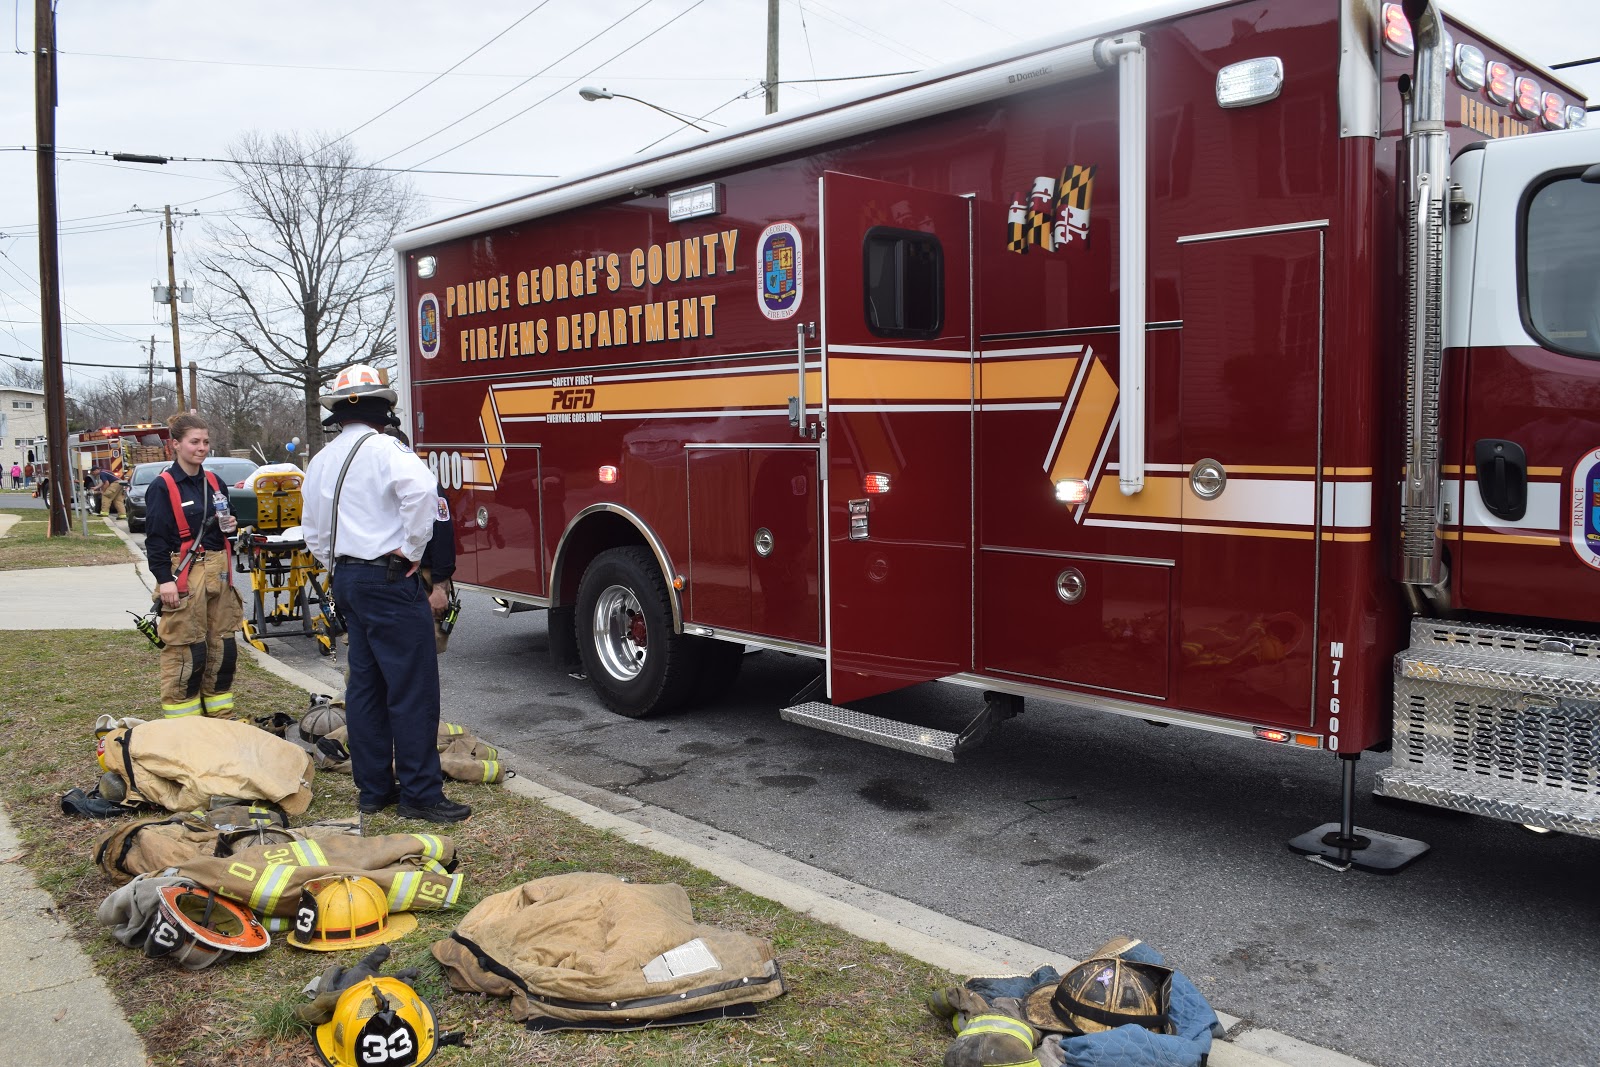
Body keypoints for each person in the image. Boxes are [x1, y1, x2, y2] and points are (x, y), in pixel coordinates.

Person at [302, 364, 469, 825]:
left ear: (338, 413)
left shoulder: (321, 460)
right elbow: (422, 491)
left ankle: (374, 790)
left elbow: (313, 529)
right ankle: (420, 793)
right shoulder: (388, 450)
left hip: (348, 578)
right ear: (384, 410)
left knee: (366, 687)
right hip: (391, 578)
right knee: (412, 689)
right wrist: (412, 549)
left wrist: (333, 564)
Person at [144, 413, 244, 719]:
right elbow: (156, 540)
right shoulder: (163, 486)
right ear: (175, 444)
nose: (201, 448)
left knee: (222, 647)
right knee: (186, 648)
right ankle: (184, 723)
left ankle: (219, 717)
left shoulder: (215, 483)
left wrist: (231, 526)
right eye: (194, 442)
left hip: (220, 572)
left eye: (205, 441)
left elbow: (226, 529)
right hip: (186, 574)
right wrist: (165, 581)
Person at [381, 421, 456, 654]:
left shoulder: (426, 485)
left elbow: (442, 536)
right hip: (386, 576)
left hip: (421, 577)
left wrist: (440, 589)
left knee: (421, 647)